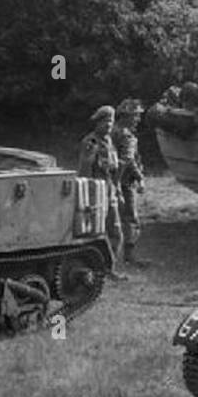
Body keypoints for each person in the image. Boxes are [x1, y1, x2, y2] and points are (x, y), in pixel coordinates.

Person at [79, 105, 124, 276]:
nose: (109, 126)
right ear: (97, 123)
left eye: (111, 122)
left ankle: (110, 268)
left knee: (116, 230)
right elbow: (85, 170)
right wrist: (87, 196)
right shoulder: (91, 142)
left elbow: (113, 170)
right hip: (96, 192)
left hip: (109, 190)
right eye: (105, 122)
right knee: (95, 232)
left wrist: (117, 190)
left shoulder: (109, 141)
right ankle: (92, 268)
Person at [112, 98, 146, 265]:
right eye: (135, 116)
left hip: (110, 180)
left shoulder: (112, 130)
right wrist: (140, 177)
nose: (138, 119)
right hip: (125, 182)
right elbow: (128, 160)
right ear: (126, 116)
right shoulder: (126, 135)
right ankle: (129, 256)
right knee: (130, 218)